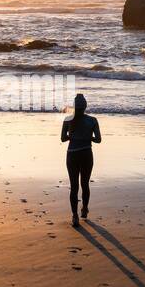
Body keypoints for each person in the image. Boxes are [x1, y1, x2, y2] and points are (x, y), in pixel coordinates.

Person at [60, 93, 101, 227]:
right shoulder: (93, 120)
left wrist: (72, 136)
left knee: (74, 187)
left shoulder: (67, 120)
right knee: (85, 184)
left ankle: (75, 216)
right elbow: (98, 140)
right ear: (85, 107)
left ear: (74, 106)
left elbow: (63, 138)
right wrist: (88, 138)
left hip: (72, 155)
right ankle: (84, 209)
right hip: (86, 154)